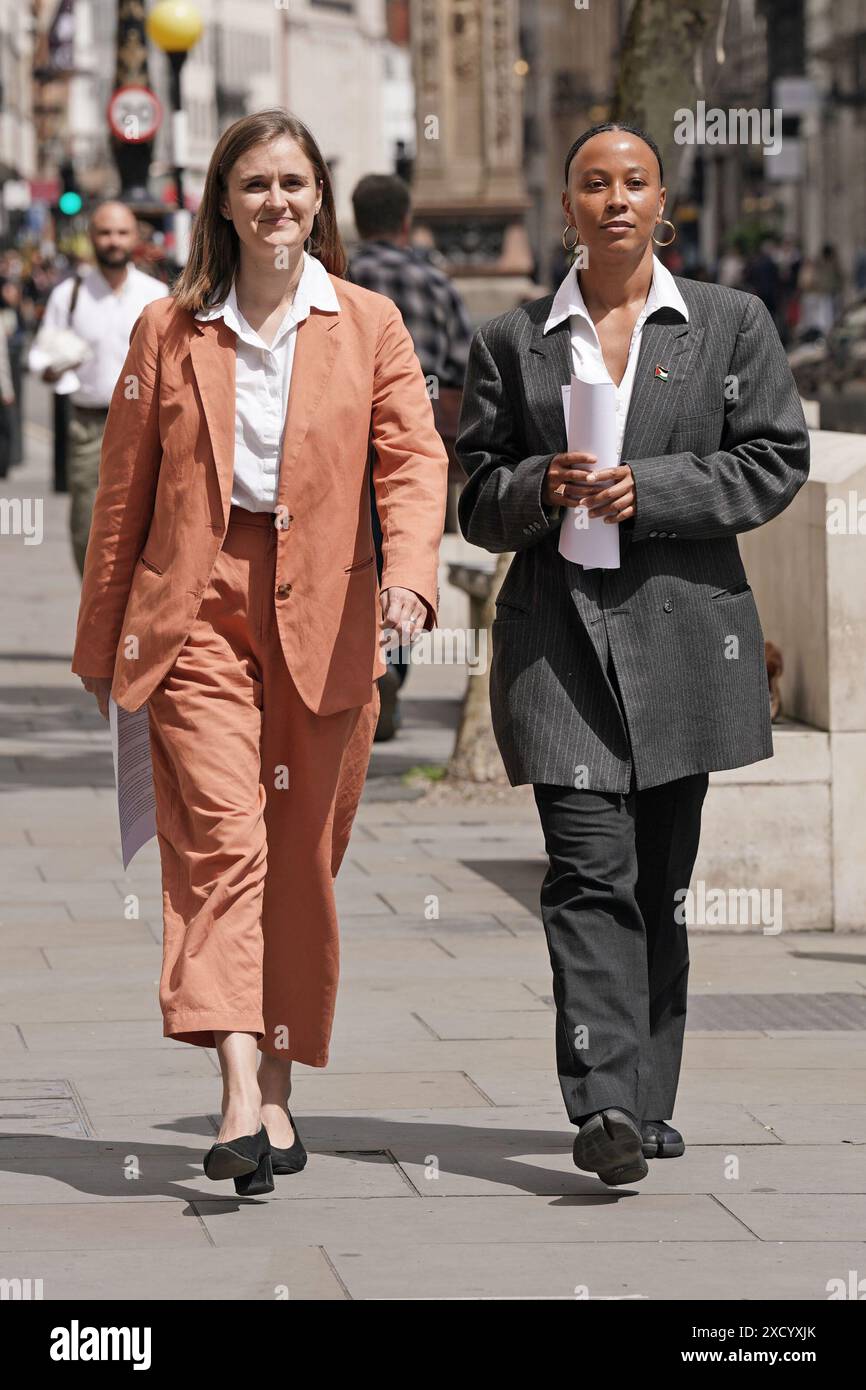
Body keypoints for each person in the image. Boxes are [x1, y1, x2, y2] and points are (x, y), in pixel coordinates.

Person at [70, 109, 448, 1197]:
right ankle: (239, 1088)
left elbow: (413, 460)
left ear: (318, 199)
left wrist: (414, 578)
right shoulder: (168, 329)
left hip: (328, 610)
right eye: (254, 185)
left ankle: (279, 1084)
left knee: (301, 854)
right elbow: (121, 496)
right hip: (199, 604)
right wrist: (103, 640)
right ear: (223, 206)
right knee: (225, 842)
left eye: (292, 182)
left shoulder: (368, 323)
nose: (275, 201)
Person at [456, 122, 809, 1188]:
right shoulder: (508, 341)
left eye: (633, 182)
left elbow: (775, 458)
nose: (613, 200)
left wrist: (647, 491)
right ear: (562, 207)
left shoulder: (726, 325)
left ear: (663, 201)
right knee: (584, 875)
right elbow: (473, 492)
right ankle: (603, 1098)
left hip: (682, 637)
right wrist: (539, 488)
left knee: (655, 882)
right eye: (591, 184)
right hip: (555, 644)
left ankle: (648, 1100)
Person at [347, 173, 472, 739]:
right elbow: (466, 364)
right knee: (406, 552)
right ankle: (392, 661)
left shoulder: (336, 279)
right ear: (405, 222)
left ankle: (361, 670)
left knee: (353, 557)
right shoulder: (436, 282)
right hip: (415, 443)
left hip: (347, 445)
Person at [29, 202, 168, 575]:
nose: (113, 241)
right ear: (91, 238)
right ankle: (94, 603)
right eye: (105, 233)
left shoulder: (156, 294)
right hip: (89, 425)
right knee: (87, 524)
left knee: (147, 519)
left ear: (134, 238)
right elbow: (42, 361)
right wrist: (57, 369)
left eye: (122, 233)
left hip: (145, 426)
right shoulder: (69, 295)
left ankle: (132, 607)